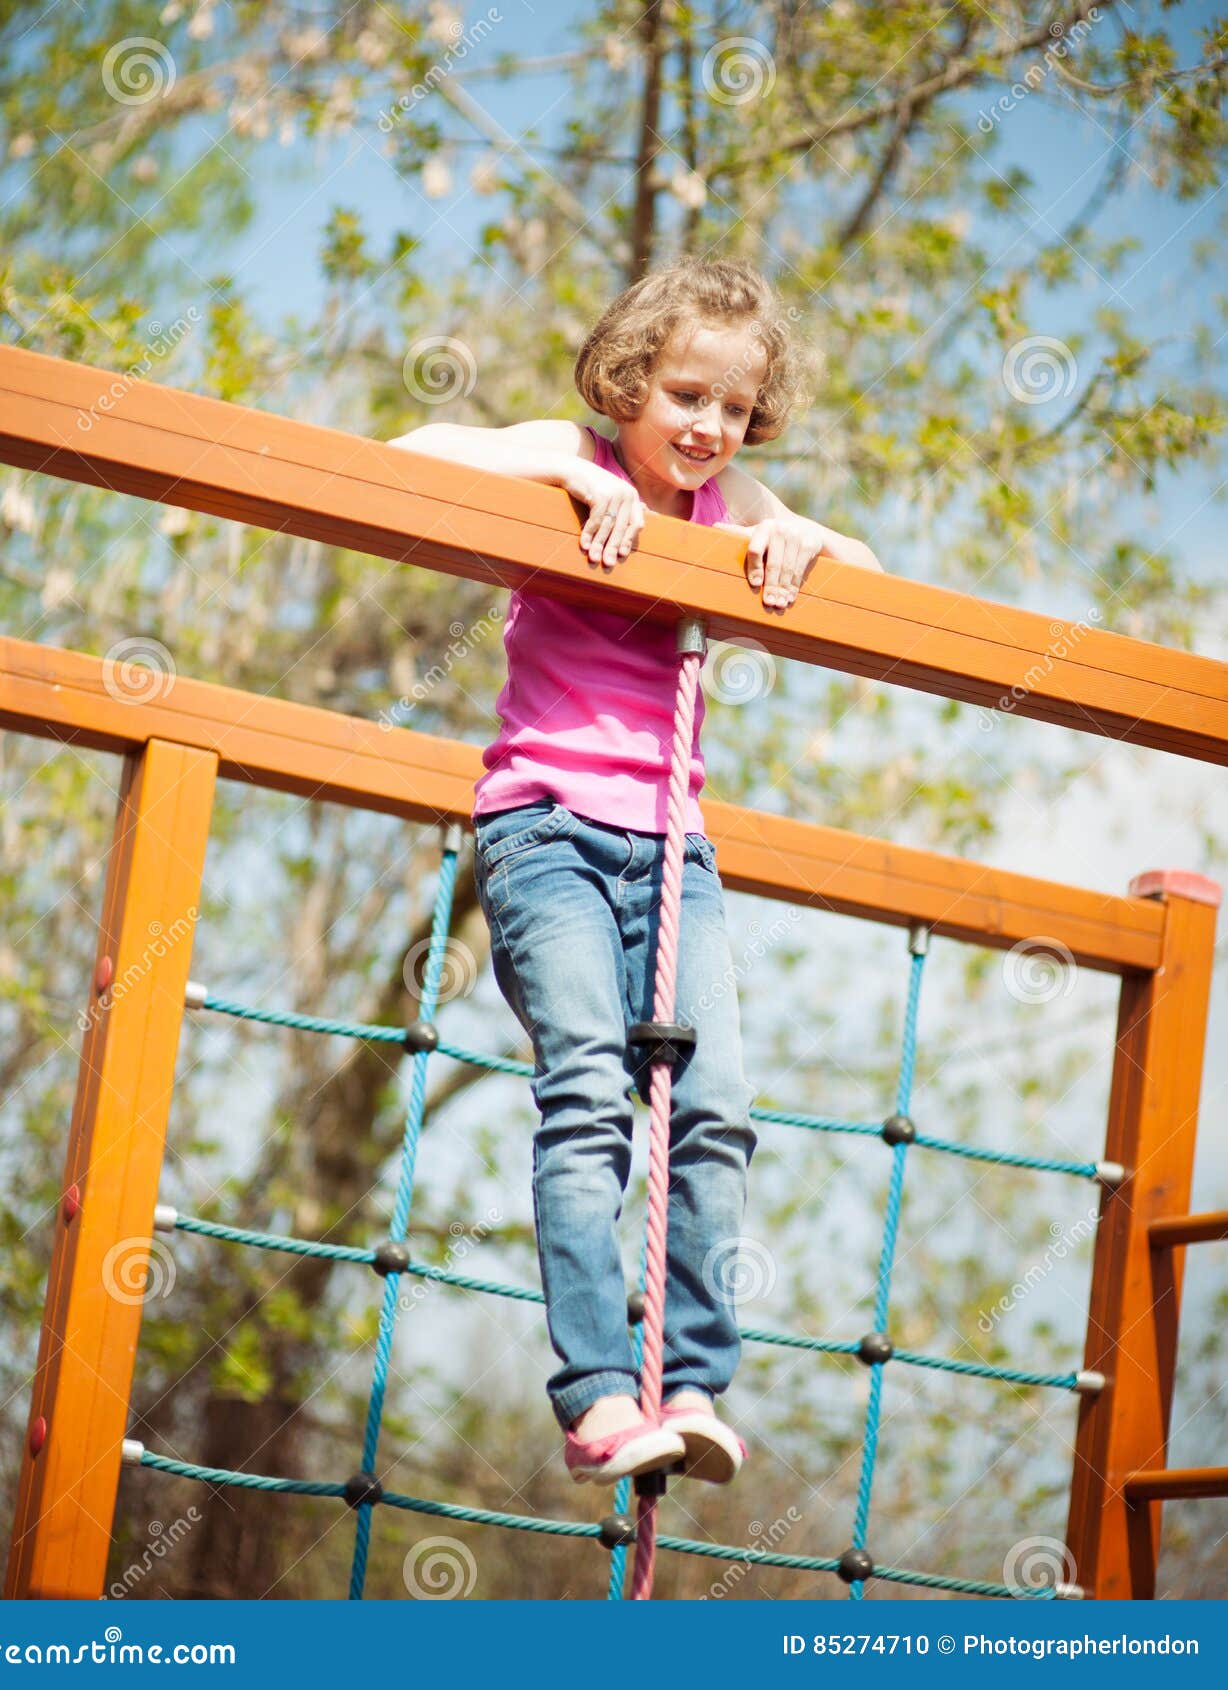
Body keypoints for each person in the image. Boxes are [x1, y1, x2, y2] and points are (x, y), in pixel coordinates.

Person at [388, 256, 882, 1487]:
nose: (707, 426)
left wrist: (801, 546)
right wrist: (556, 477)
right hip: (545, 831)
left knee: (718, 1109)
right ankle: (600, 1392)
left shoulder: (732, 500)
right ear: (628, 382)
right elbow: (405, 454)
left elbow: (870, 584)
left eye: (732, 407)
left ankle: (694, 1379)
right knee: (592, 1094)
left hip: (675, 850)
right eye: (683, 396)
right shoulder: (578, 453)